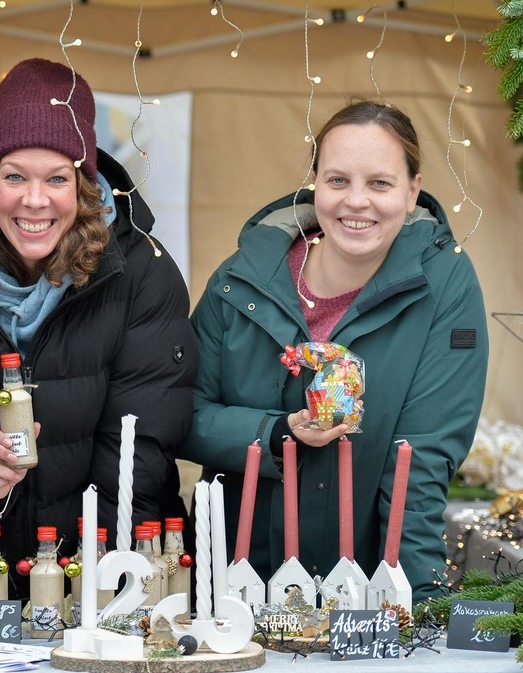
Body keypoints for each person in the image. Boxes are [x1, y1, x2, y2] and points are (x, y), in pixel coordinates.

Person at [0, 58, 198, 600]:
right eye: (15, 176)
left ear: (84, 187)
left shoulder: (140, 275)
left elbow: (141, 455)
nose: (34, 201)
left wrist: (85, 588)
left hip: (108, 580)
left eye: (57, 178)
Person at [183, 100, 488, 599]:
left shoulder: (444, 286)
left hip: (365, 588)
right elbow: (182, 415)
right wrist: (278, 432)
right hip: (235, 585)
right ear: (315, 183)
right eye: (338, 180)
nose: (357, 202)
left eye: (381, 183)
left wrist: (415, 602)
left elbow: (423, 457)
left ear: (413, 191)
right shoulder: (241, 280)